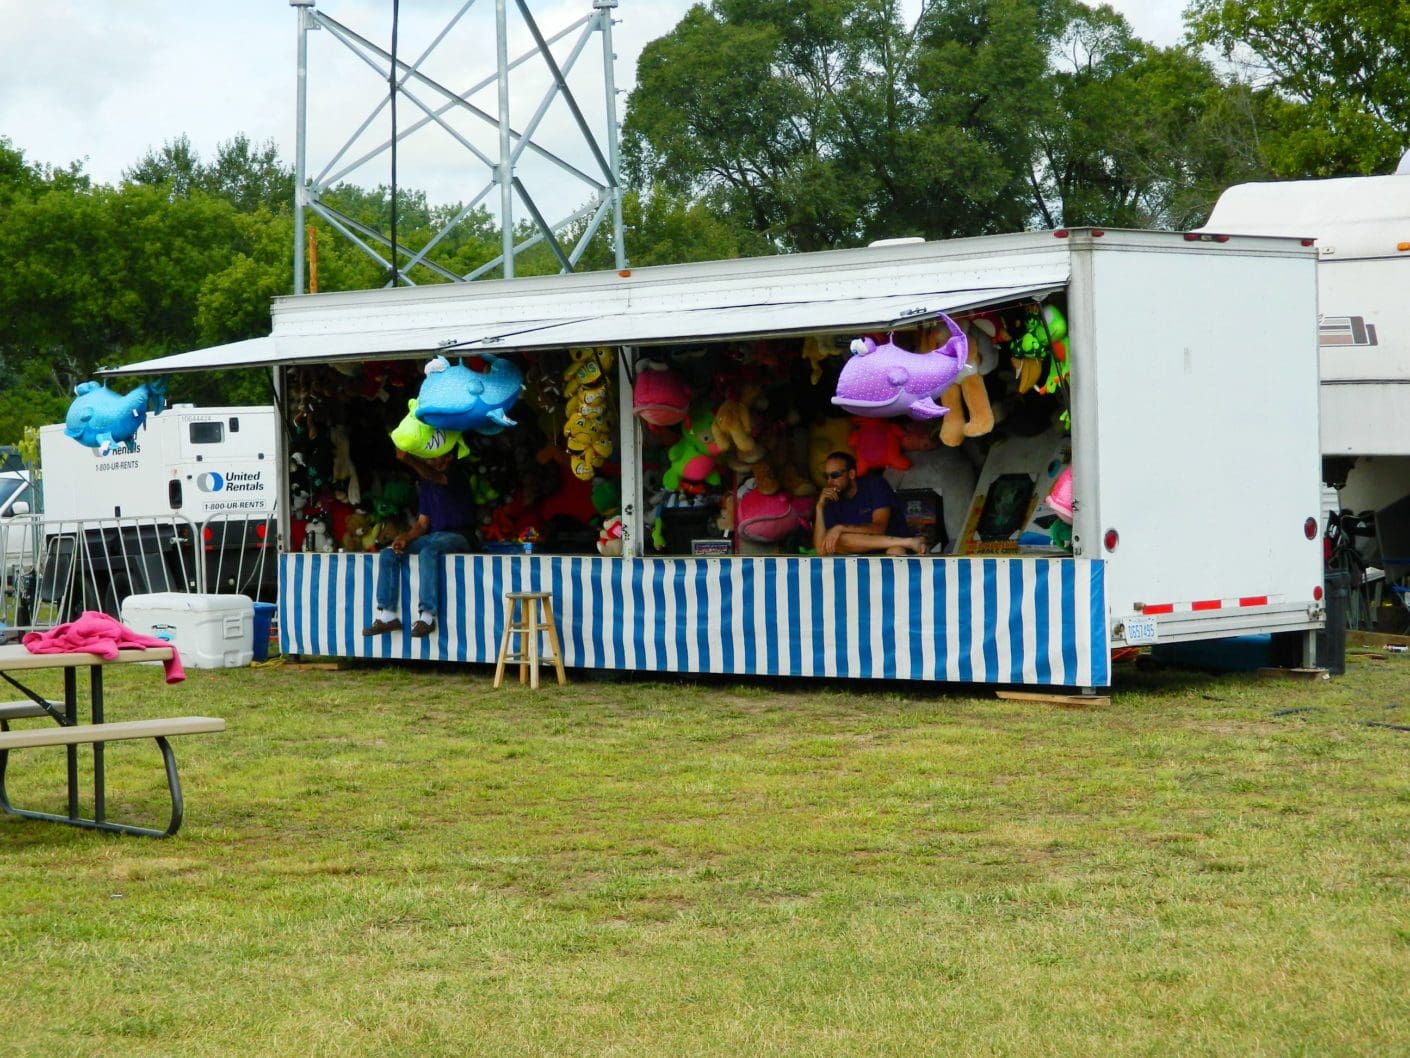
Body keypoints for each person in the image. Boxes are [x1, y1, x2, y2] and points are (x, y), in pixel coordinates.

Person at [363, 450, 476, 637]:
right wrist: (404, 538)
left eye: (436, 454)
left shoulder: (457, 475)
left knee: (428, 551)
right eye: (428, 456)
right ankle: (388, 615)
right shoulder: (427, 483)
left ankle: (427, 616)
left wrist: (409, 459)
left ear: (449, 457)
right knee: (388, 553)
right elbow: (422, 524)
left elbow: (436, 476)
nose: (430, 458)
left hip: (460, 534)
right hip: (434, 535)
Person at [813, 450, 927, 556]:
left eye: (835, 475)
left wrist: (840, 528)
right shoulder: (830, 499)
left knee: (896, 551)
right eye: (826, 476)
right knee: (839, 540)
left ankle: (907, 543)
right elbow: (820, 549)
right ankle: (909, 542)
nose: (829, 481)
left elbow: (879, 529)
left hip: (891, 545)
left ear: (851, 474)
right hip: (859, 555)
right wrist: (819, 507)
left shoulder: (875, 485)